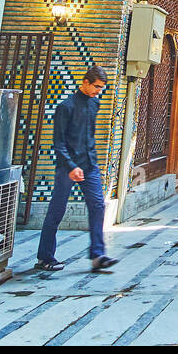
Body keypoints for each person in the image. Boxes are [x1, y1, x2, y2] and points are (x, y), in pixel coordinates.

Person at [36, 66, 118, 273]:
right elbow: (58, 142)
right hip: (68, 167)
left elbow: (88, 136)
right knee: (57, 210)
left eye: (101, 87)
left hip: (89, 165)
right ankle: (45, 257)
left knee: (98, 205)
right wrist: (71, 166)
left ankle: (97, 255)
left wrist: (90, 162)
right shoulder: (66, 107)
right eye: (96, 86)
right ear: (86, 82)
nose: (98, 91)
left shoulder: (95, 103)